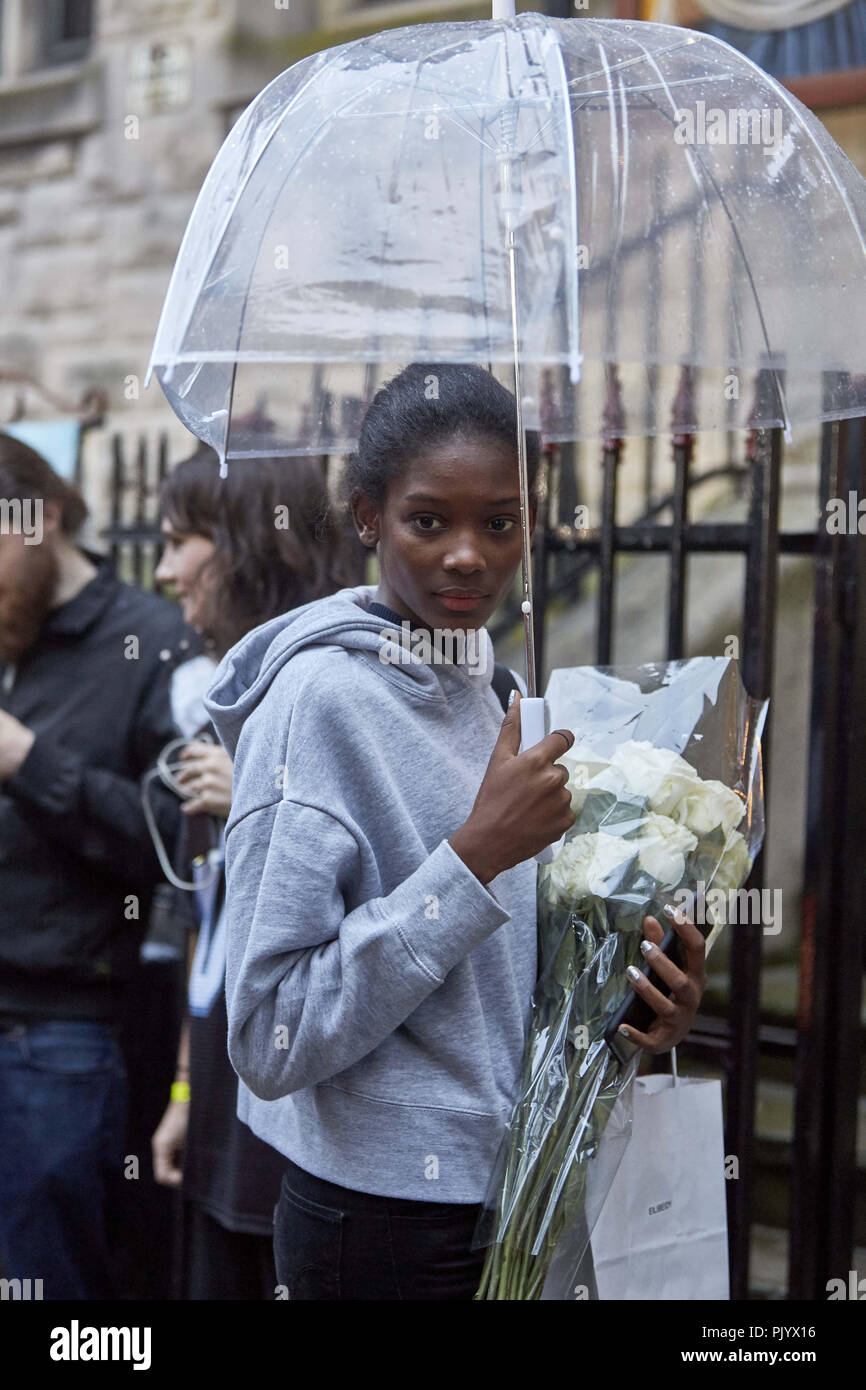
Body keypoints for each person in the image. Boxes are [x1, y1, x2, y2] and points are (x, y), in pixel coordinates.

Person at [203, 363, 708, 1301]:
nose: (469, 556)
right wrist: (473, 859)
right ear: (368, 517)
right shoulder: (318, 704)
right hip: (380, 1225)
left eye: (500, 523)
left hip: (521, 1191)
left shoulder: (500, 693)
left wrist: (634, 1009)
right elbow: (271, 1034)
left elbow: (503, 987)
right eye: (428, 521)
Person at [149, 442, 352, 1299]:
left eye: (179, 542)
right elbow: (206, 923)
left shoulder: (333, 689)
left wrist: (262, 805)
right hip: (220, 1091)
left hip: (304, 1116)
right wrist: (184, 1090)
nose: (163, 572)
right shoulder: (222, 702)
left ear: (247, 545)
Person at [0, 433, 192, 1300]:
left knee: (51, 1289)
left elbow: (175, 837)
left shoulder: (151, 641)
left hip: (61, 1035)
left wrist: (27, 761)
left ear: (39, 520)